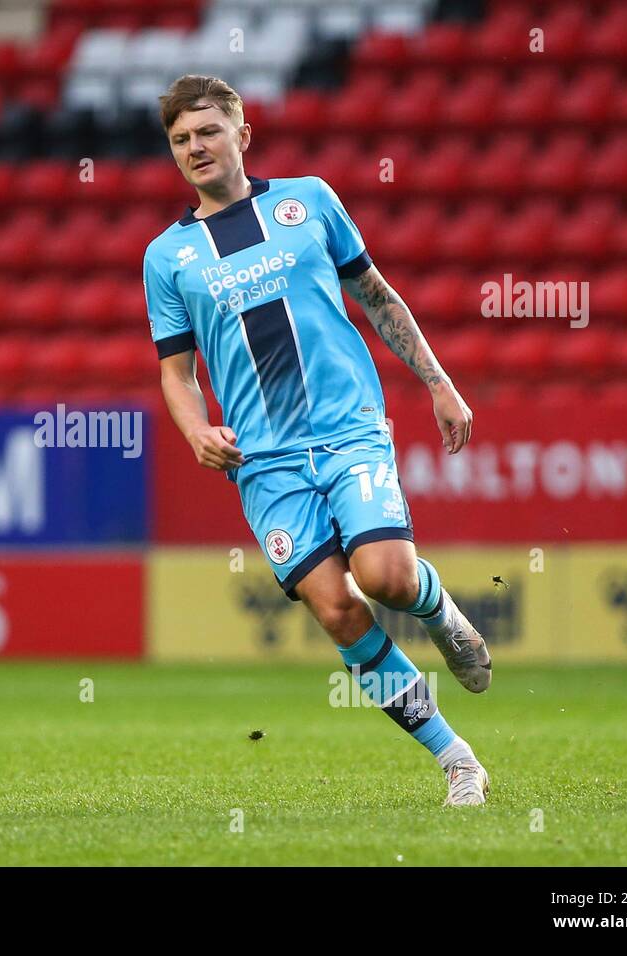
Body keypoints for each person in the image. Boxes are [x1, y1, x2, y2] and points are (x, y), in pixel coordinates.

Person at [142, 74, 492, 806]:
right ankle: (457, 759)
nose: (194, 148)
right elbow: (176, 374)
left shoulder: (308, 201)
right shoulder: (167, 258)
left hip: (346, 429)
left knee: (390, 577)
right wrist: (195, 428)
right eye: (180, 140)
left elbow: (377, 296)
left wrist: (438, 382)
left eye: (207, 131)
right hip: (263, 460)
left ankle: (444, 615)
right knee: (337, 608)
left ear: (243, 133)